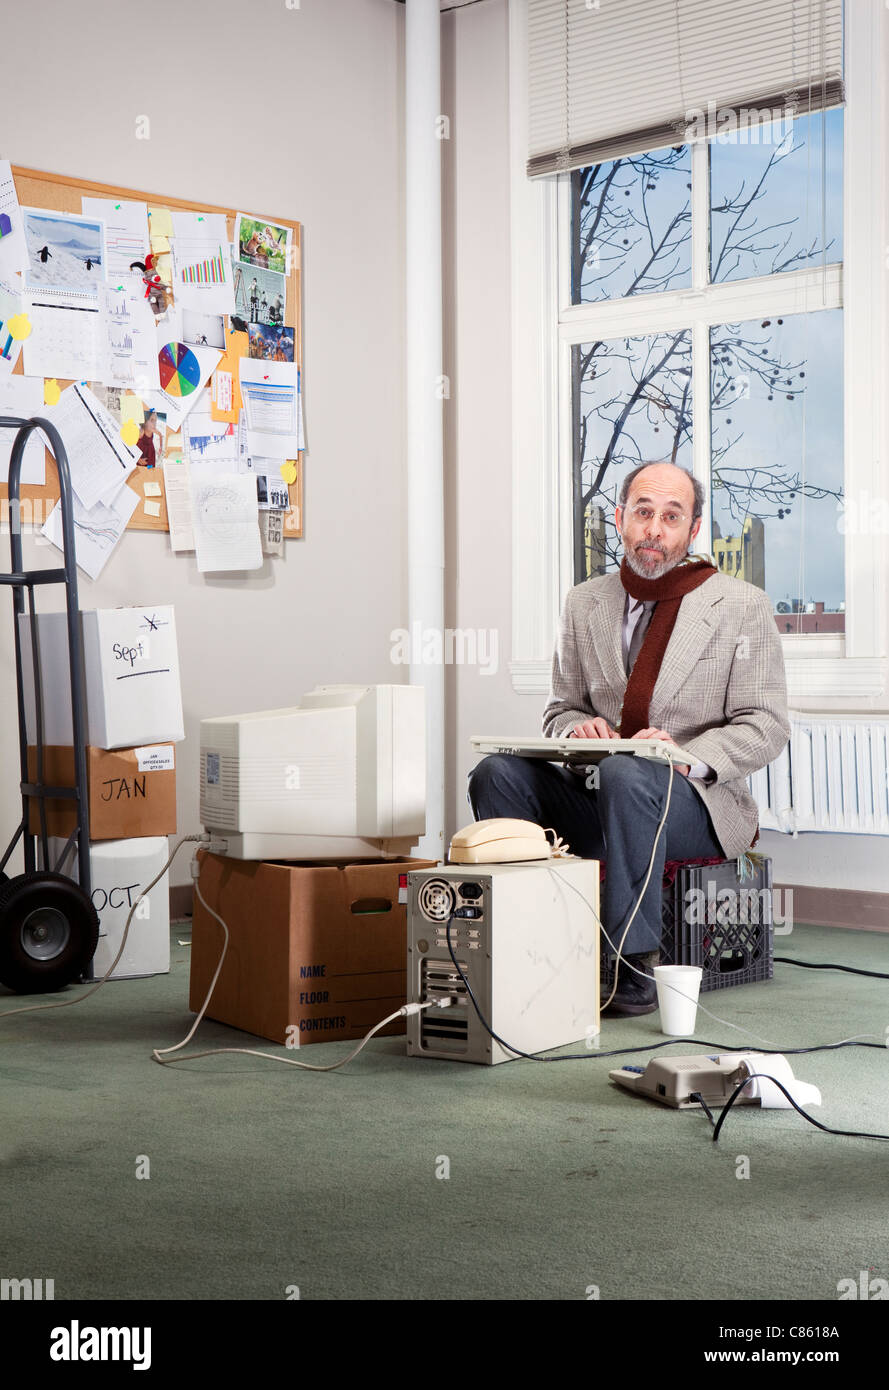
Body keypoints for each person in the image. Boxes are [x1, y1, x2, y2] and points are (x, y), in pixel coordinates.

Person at [467, 461, 791, 1017]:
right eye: (643, 512)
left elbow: (766, 724)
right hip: (597, 791)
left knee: (629, 774)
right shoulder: (584, 603)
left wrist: (686, 759)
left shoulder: (741, 606)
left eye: (671, 516)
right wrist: (576, 728)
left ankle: (632, 964)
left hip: (694, 803)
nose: (654, 529)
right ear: (620, 519)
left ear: (692, 530)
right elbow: (561, 707)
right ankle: (531, 942)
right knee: (495, 772)